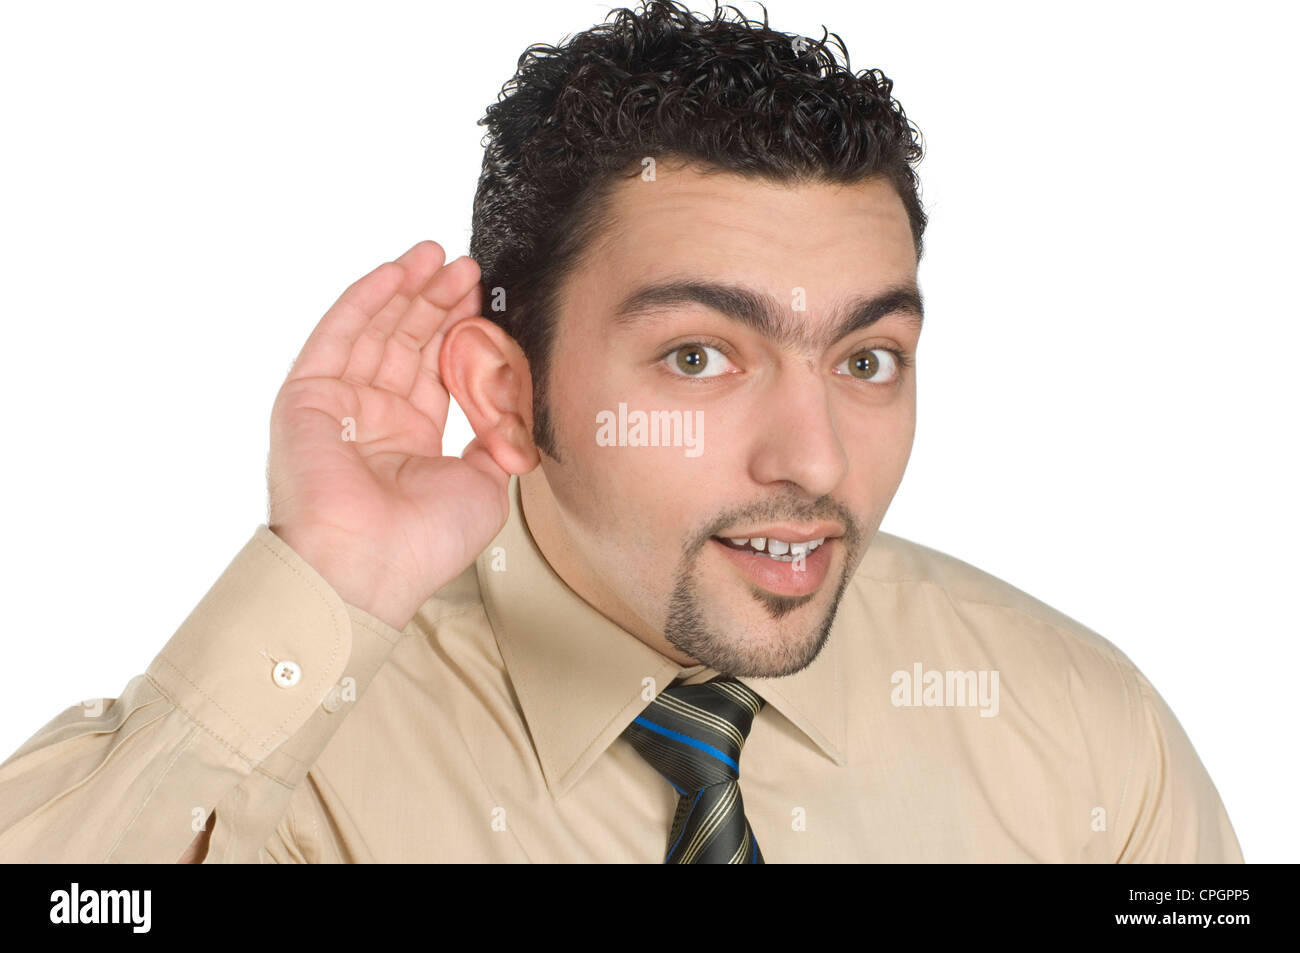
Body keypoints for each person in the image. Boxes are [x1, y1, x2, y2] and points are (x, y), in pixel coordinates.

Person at [0, 0, 1242, 863]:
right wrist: (329, 579)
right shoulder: (290, 763)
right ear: (502, 390)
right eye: (698, 356)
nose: (813, 462)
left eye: (867, 359)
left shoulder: (1080, 733)